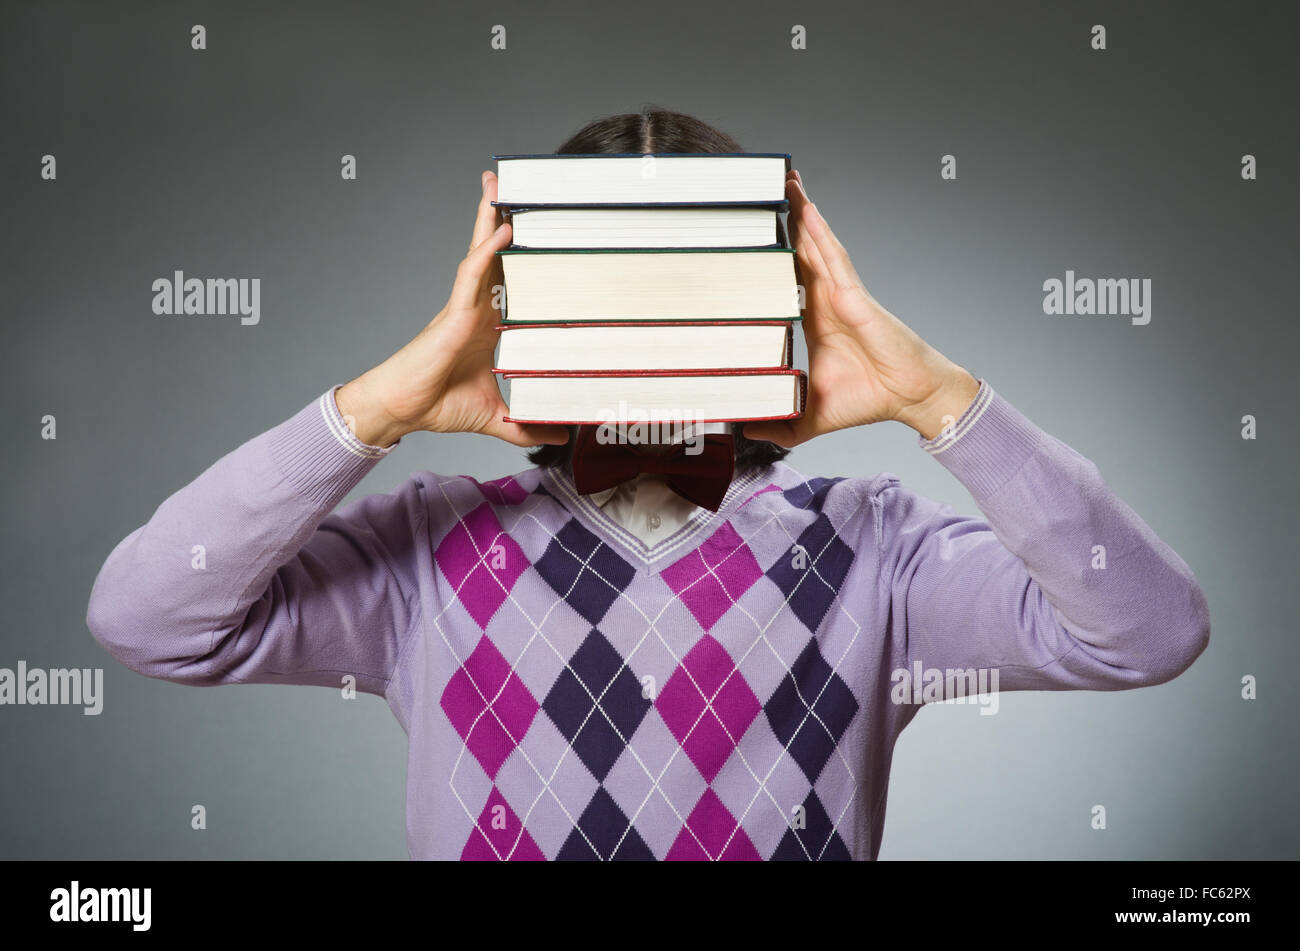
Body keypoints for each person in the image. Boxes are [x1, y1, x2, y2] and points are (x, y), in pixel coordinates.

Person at [86, 109, 1210, 861]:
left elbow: (1147, 635)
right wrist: (374, 410)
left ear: (772, 298)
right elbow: (148, 619)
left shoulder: (881, 548)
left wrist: (941, 402)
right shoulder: (428, 547)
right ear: (523, 301)